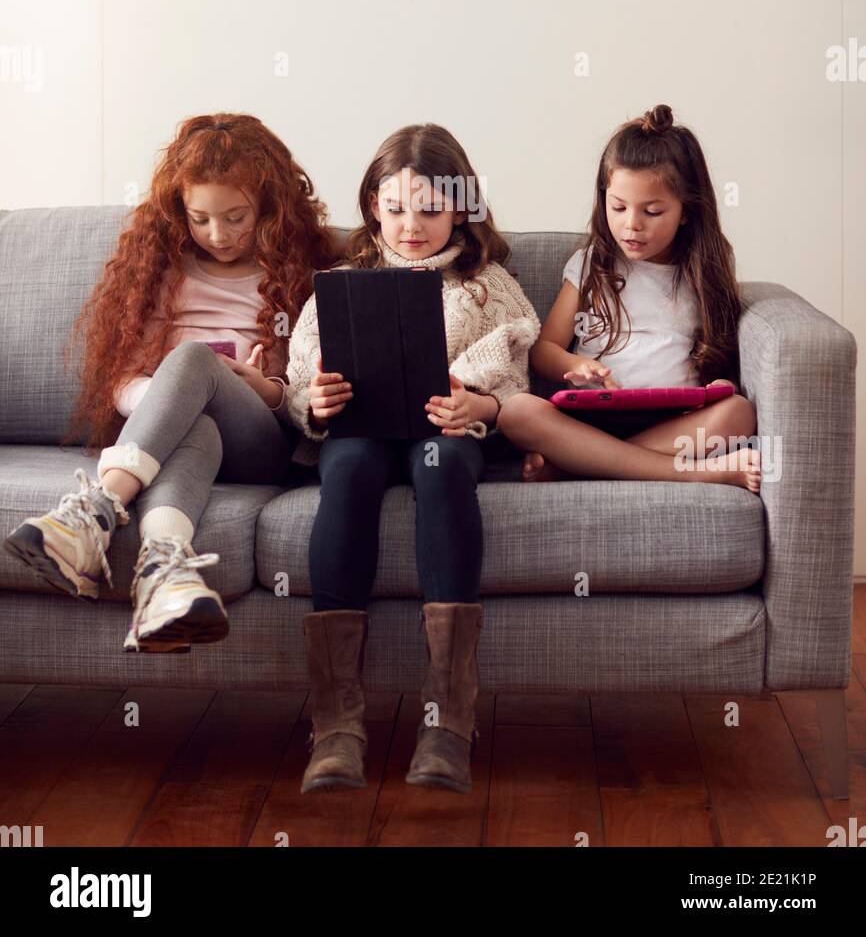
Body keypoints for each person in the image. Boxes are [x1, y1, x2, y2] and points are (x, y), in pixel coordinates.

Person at [3, 113, 336, 651]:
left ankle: (95, 511)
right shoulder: (165, 270)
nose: (218, 235)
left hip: (261, 441)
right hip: (183, 433)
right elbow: (123, 384)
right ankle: (166, 575)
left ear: (269, 208)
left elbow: (303, 398)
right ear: (180, 209)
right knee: (195, 412)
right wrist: (167, 396)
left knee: (193, 359)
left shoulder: (298, 269)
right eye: (200, 218)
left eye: (236, 218)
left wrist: (262, 387)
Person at [285, 123, 541, 795]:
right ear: (373, 205)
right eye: (395, 209)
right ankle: (337, 722)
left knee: (446, 464)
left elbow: (516, 382)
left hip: (443, 432)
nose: (410, 226)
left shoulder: (487, 285)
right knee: (345, 469)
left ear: (462, 206)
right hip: (362, 432)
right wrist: (315, 400)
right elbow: (298, 378)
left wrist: (477, 406)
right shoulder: (343, 282)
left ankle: (447, 718)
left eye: (430, 210)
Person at [498, 104, 761, 493]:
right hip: (592, 418)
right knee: (516, 412)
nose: (631, 224)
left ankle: (579, 466)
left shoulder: (701, 272)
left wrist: (716, 380)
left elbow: (718, 353)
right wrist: (579, 364)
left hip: (672, 422)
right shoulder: (590, 264)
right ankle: (702, 471)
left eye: (652, 211)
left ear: (686, 211)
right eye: (618, 207)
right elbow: (544, 350)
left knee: (738, 413)